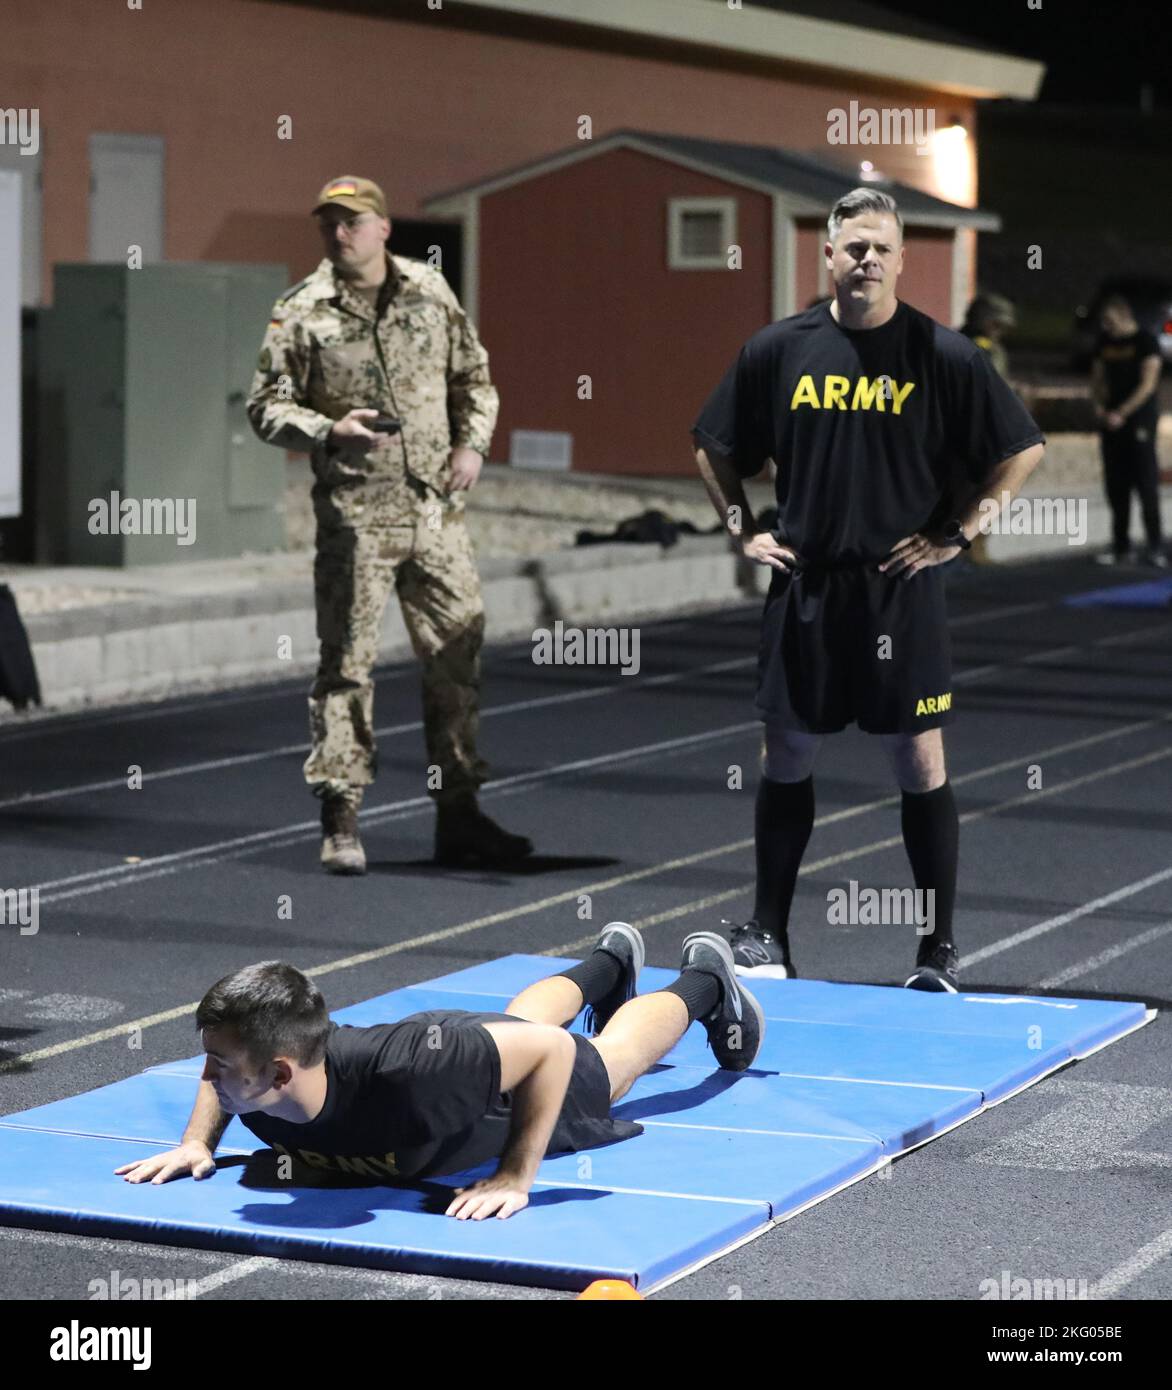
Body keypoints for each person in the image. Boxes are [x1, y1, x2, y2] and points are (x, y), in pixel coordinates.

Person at [691, 188, 1045, 993]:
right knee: (785, 751)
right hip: (807, 585)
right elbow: (712, 446)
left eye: (881, 248)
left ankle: (937, 950)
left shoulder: (941, 353)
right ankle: (769, 937)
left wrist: (959, 532)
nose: (867, 260)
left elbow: (1021, 448)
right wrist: (743, 527)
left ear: (900, 258)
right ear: (829, 254)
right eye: (854, 247)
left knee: (919, 759)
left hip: (899, 588)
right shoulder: (779, 349)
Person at [246, 176, 532, 874]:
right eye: (329, 224)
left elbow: (476, 378)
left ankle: (459, 814)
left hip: (436, 512)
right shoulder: (302, 311)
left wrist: (473, 445)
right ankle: (340, 820)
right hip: (356, 517)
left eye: (352, 222)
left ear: (383, 228)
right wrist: (326, 427)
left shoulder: (430, 293)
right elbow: (263, 404)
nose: (339, 234)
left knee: (457, 659)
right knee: (346, 667)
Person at [113, 925, 763, 1220]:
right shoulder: (253, 1075)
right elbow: (221, 1054)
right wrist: (197, 1142)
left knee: (607, 1066)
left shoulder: (404, 1076)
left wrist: (514, 1176)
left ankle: (708, 984)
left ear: (280, 1075)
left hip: (450, 1066)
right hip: (450, 1057)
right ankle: (606, 969)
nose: (210, 1077)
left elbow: (549, 1054)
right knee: (516, 1026)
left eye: (223, 1068)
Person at [1090, 294, 1166, 568]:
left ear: (1125, 316)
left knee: (1145, 483)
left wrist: (1122, 412)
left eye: (1110, 321)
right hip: (1111, 422)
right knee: (1116, 485)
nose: (1106, 326)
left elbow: (1148, 384)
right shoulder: (1104, 343)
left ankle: (1155, 546)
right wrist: (1100, 407)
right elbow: (1097, 378)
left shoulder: (1145, 342)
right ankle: (1121, 545)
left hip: (1138, 421)